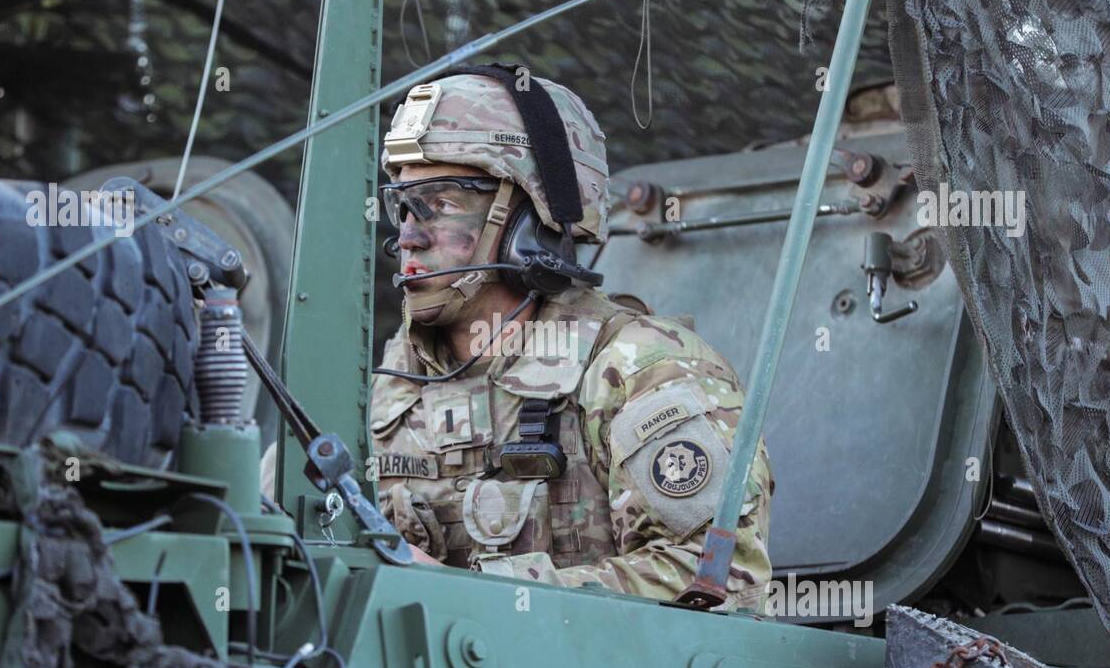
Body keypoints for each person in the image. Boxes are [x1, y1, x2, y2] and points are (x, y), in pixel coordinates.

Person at [264, 66, 772, 611]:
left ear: (530, 222)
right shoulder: (378, 395)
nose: (408, 236)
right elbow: (259, 540)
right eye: (403, 205)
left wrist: (472, 597)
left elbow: (721, 585)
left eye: (443, 203)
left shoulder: (638, 369)